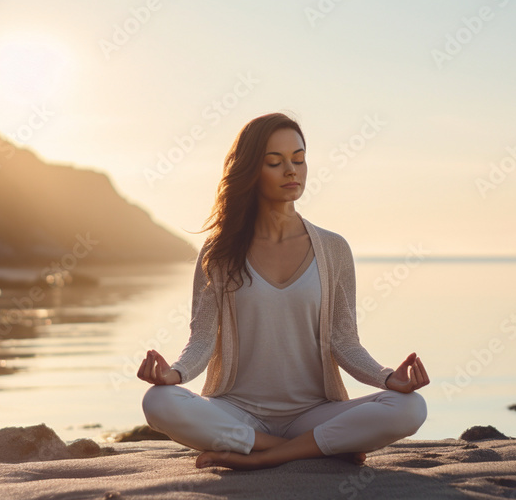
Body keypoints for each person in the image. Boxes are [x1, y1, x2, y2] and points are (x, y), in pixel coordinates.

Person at [138, 112, 429, 470]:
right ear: (251, 171)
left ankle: (263, 456)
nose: (292, 170)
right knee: (158, 402)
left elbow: (344, 341)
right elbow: (202, 340)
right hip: (237, 411)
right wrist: (176, 374)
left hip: (314, 414)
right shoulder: (219, 253)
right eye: (275, 162)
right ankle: (300, 448)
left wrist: (388, 378)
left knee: (411, 407)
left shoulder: (333, 249)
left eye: (299, 159)